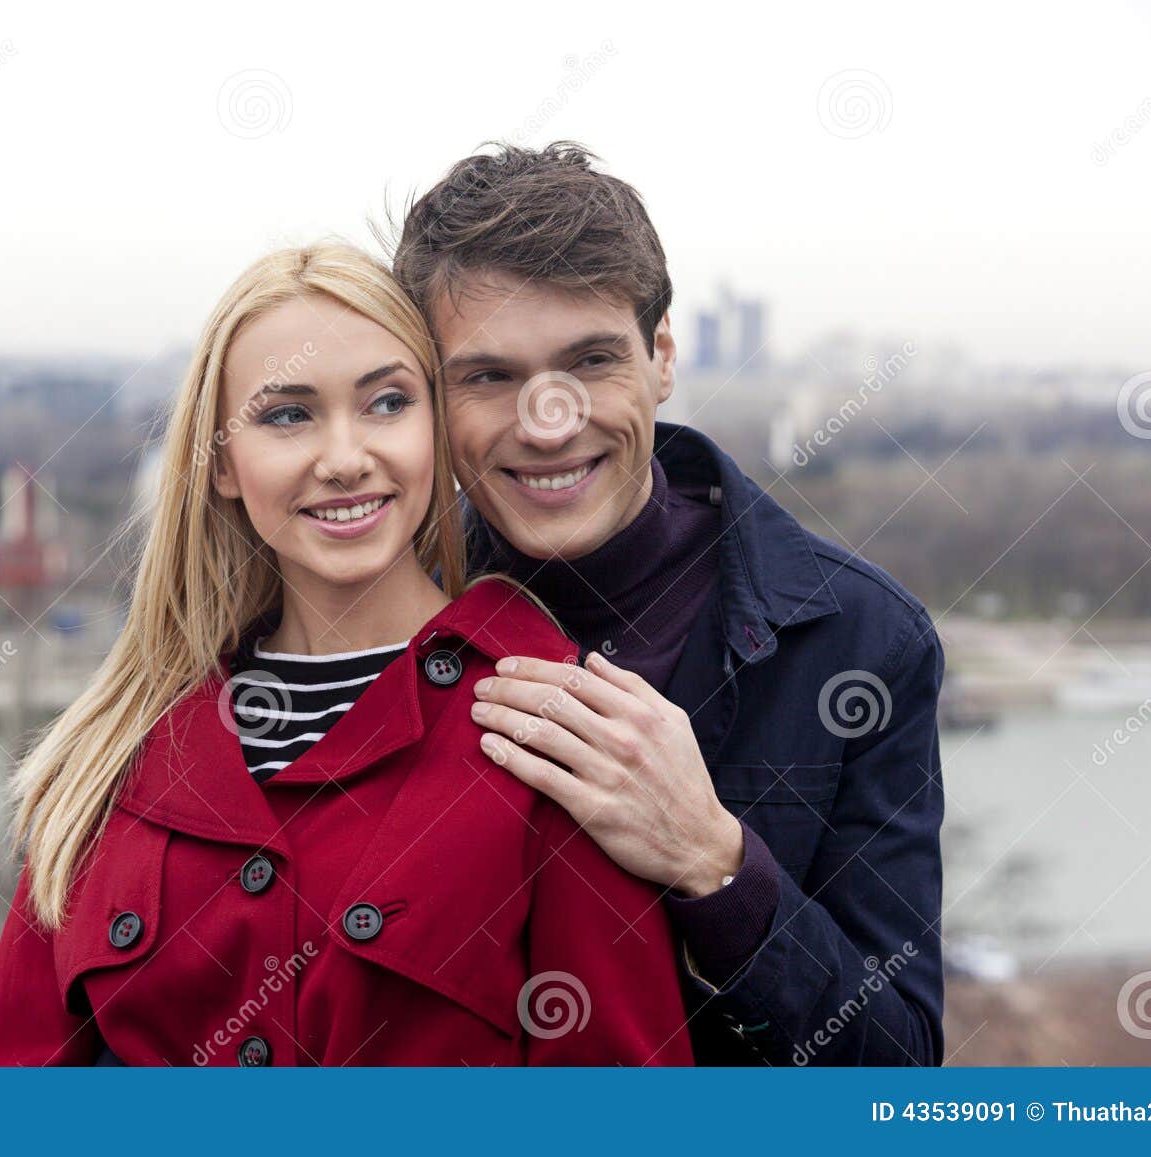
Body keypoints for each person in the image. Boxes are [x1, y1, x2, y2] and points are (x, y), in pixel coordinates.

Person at [0, 241, 695, 1066]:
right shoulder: (109, 759)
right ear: (222, 464)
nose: (345, 459)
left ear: (438, 432)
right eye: (287, 415)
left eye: (387, 403)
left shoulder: (548, 732)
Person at [391, 142, 946, 1065]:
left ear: (662, 359)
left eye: (592, 361)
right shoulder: (377, 614)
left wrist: (715, 863)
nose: (549, 420)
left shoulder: (863, 641)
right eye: (487, 376)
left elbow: (897, 1075)